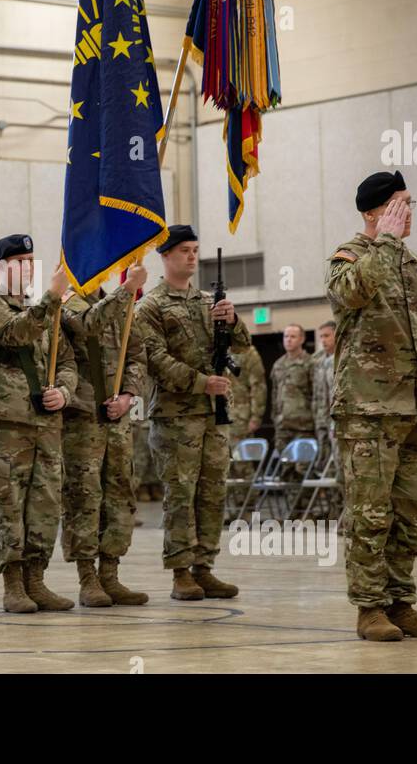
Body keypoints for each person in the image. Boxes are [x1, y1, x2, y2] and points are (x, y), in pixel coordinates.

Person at [325, 170, 417, 643]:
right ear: (373, 213)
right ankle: (370, 608)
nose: (409, 212)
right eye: (400, 204)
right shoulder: (349, 257)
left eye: (410, 203)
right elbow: (351, 293)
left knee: (409, 513)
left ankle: (402, 602)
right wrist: (387, 242)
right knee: (370, 514)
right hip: (368, 410)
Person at [137, 225, 247, 601]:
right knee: (181, 494)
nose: (191, 256)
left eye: (195, 249)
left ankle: (205, 567)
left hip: (213, 416)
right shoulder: (150, 306)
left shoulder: (207, 302)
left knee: (213, 492)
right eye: (184, 249)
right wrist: (203, 383)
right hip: (175, 416)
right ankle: (181, 572)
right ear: (165, 255)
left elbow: (243, 345)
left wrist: (232, 320)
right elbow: (156, 360)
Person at [0, 233, 78, 613]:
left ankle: (37, 579)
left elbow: (66, 362)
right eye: (20, 261)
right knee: (10, 504)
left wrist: (64, 393)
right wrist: (52, 298)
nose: (28, 267)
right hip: (5, 424)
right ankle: (13, 585)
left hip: (45, 423)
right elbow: (16, 333)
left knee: (46, 504)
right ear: (1, 268)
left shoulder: (44, 313)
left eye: (32, 260)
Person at [58, 264, 151, 607]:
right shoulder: (68, 301)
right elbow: (87, 325)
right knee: (84, 495)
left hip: (118, 417)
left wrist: (128, 394)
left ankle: (111, 574)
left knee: (120, 493)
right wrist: (127, 290)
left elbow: (137, 355)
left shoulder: (120, 305)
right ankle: (87, 578)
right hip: (83, 415)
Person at [270, 324, 315, 453]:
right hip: (283, 426)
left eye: (293, 336)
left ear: (302, 339)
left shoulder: (310, 363)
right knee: (284, 468)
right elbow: (274, 394)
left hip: (304, 425)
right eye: (286, 336)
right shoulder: (278, 365)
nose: (288, 340)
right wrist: (276, 418)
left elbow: (317, 395)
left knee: (303, 469)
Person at [311, 321, 336, 465]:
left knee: (339, 460)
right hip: (321, 417)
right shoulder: (317, 360)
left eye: (327, 336)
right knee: (323, 461)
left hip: (336, 419)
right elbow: (316, 391)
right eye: (321, 337)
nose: (323, 340)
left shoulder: (342, 358)